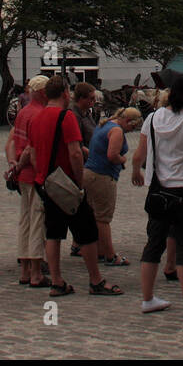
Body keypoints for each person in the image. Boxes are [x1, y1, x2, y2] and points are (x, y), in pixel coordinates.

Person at [25, 77, 120, 298]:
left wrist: (42, 177)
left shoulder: (37, 118)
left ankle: (57, 281)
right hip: (66, 182)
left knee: (53, 233)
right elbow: (75, 152)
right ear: (66, 93)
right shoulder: (65, 116)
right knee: (86, 232)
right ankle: (96, 280)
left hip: (47, 183)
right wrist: (79, 181)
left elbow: (32, 152)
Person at [132, 74, 183, 316]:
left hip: (159, 190)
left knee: (153, 245)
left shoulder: (153, 118)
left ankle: (147, 298)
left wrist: (136, 171)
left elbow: (140, 153)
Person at [8, 75, 51, 287]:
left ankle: (25, 269)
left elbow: (14, 141)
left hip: (22, 176)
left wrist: (14, 165)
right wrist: (21, 164)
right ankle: (35, 272)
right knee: (37, 222)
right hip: (34, 174)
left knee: (24, 220)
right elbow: (29, 149)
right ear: (43, 92)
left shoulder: (23, 112)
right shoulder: (40, 114)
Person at [83, 106, 139, 267]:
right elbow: (112, 155)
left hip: (90, 173)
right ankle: (109, 255)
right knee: (103, 218)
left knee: (95, 215)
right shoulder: (116, 131)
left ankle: (98, 250)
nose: (131, 131)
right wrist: (123, 160)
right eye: (132, 126)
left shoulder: (104, 125)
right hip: (102, 176)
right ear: (127, 121)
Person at [67, 82, 100, 257]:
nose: (93, 102)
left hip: (90, 159)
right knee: (83, 204)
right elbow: (77, 144)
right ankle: (79, 242)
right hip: (83, 162)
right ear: (81, 99)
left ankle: (78, 241)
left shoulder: (87, 113)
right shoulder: (73, 114)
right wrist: (94, 154)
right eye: (91, 98)